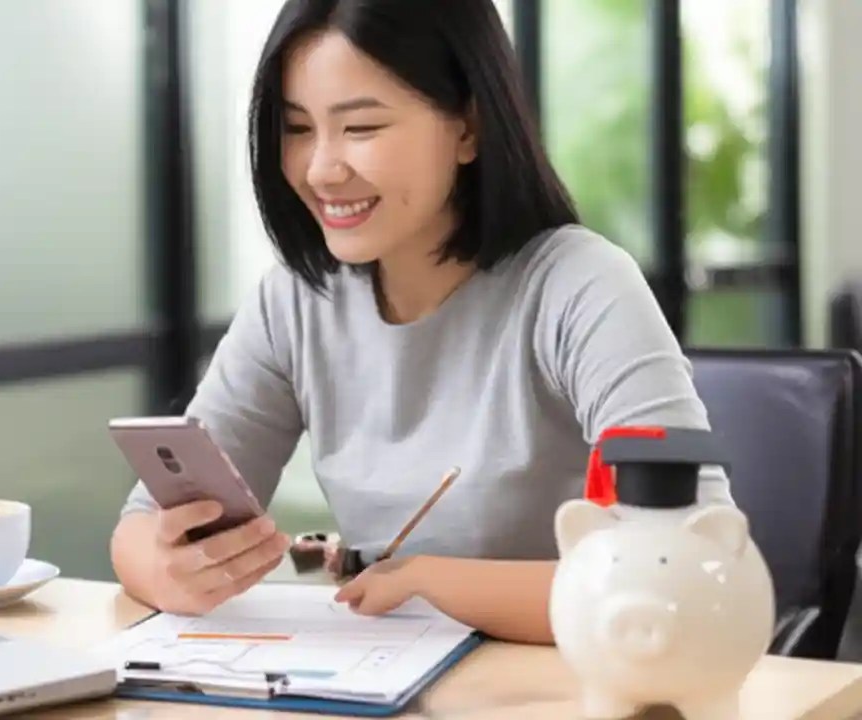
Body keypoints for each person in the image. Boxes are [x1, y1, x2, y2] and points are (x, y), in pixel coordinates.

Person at [109, 0, 732, 645]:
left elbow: (686, 566)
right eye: (297, 128)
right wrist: (167, 570)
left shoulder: (578, 286)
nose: (321, 168)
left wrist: (430, 579)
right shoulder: (297, 300)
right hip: (383, 681)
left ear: (468, 126)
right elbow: (138, 529)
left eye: (361, 127)